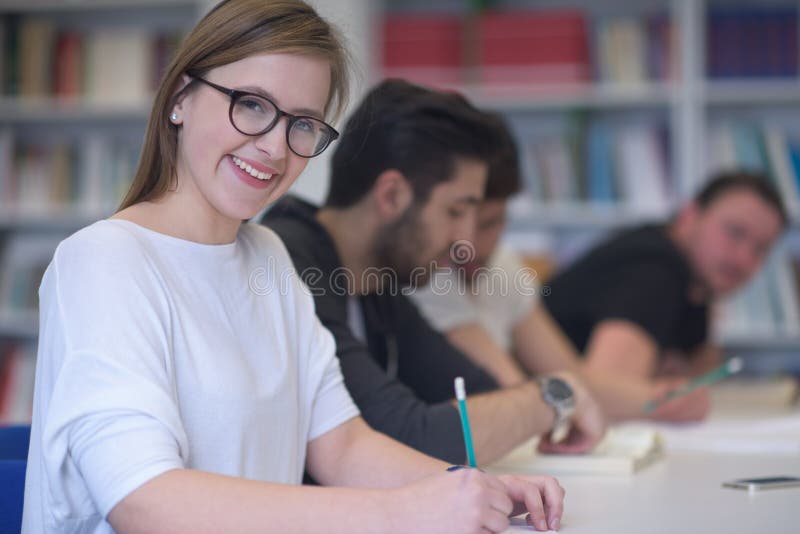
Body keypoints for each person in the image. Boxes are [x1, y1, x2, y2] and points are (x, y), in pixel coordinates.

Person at [22, 2, 566, 533]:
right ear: (180, 98)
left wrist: (473, 488)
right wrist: (400, 514)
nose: (275, 148)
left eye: (302, 124)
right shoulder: (104, 261)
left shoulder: (269, 256)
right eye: (252, 105)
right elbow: (145, 502)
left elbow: (343, 447)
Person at [261, 79, 606, 470]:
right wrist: (554, 394)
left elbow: (477, 393)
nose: (465, 240)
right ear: (391, 195)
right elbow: (412, 436)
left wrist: (534, 402)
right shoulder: (288, 262)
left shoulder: (376, 281)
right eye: (456, 212)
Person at [410, 114, 767, 422]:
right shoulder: (428, 271)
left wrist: (658, 398)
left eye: (492, 223)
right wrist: (652, 398)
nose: (469, 239)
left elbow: (571, 375)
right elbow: (514, 387)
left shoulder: (501, 262)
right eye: (457, 216)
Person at [540, 169, 787, 418]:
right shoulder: (655, 271)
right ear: (690, 215)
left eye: (761, 249)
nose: (744, 258)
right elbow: (605, 396)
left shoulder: (695, 282)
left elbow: (703, 361)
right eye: (735, 232)